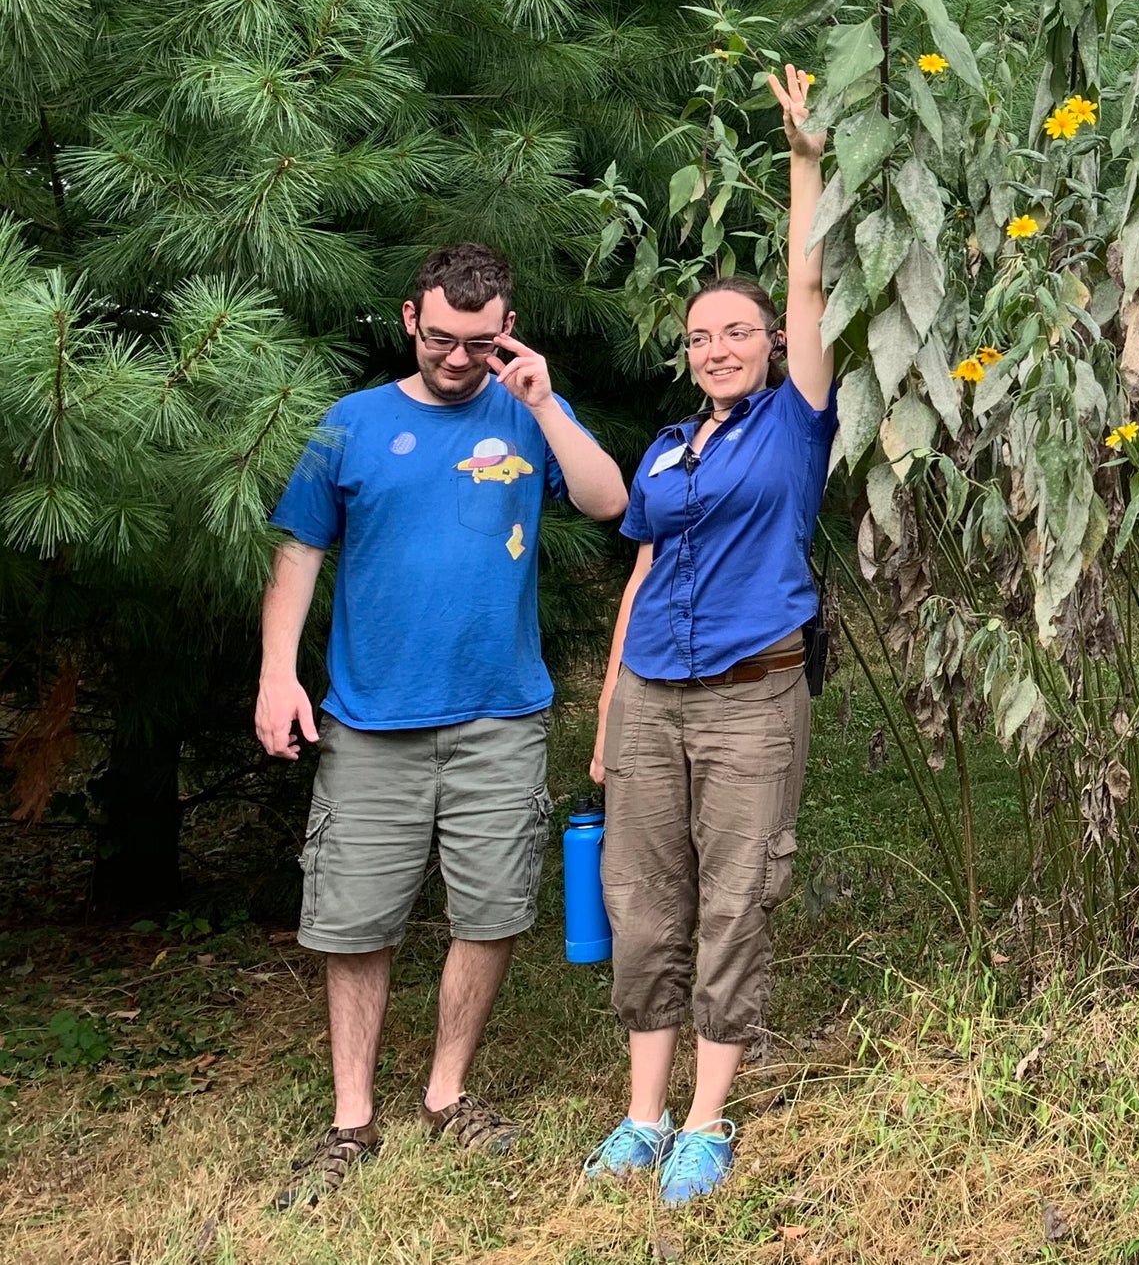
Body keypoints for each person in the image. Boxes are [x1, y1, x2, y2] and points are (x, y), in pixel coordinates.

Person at [256, 242, 629, 1208]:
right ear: (409, 321)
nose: (460, 359)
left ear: (504, 330)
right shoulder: (351, 428)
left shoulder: (526, 410)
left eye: (481, 341)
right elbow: (297, 556)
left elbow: (609, 501)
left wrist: (545, 401)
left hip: (501, 716)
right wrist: (275, 675)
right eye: (441, 339)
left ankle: (446, 1093)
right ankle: (351, 1122)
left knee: (494, 912)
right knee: (357, 924)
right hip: (372, 720)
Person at [581, 66, 834, 1207]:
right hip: (648, 697)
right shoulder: (669, 447)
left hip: (750, 698)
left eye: (739, 332)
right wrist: (603, 714)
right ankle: (639, 1114)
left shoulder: (794, 424)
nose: (720, 346)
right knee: (641, 898)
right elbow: (643, 568)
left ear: (773, 344)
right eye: (701, 336)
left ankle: (707, 1116)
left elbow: (811, 274)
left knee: (735, 896)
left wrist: (805, 158)